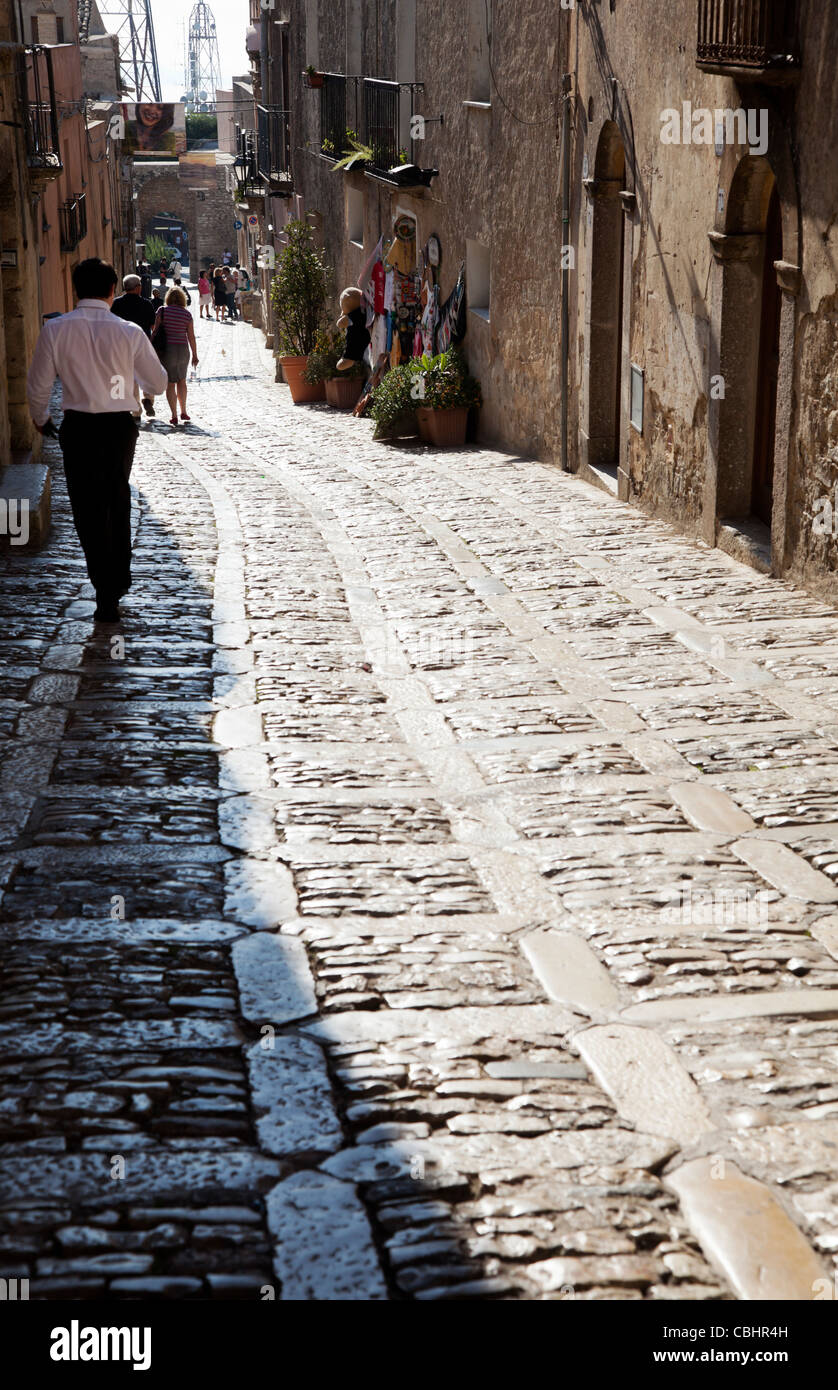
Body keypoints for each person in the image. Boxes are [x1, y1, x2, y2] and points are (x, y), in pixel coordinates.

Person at [26, 257, 167, 624]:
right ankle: (114, 585)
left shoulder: (55, 330)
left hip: (79, 429)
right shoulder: (129, 332)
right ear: (111, 289)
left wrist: (42, 420)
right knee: (117, 500)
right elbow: (158, 383)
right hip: (119, 428)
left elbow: (38, 384)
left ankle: (102, 583)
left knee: (86, 507)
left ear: (76, 290)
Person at [111, 272, 157, 417]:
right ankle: (148, 398)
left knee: (131, 377)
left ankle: (136, 409)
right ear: (137, 288)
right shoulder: (146, 304)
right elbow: (152, 326)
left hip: (123, 346)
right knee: (146, 373)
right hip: (142, 344)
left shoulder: (116, 303)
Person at [151, 285, 198, 426]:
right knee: (182, 381)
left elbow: (155, 331)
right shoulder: (187, 314)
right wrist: (195, 355)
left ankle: (174, 415)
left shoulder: (162, 311)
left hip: (168, 350)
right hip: (183, 350)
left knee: (170, 383)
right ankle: (184, 410)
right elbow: (191, 337)